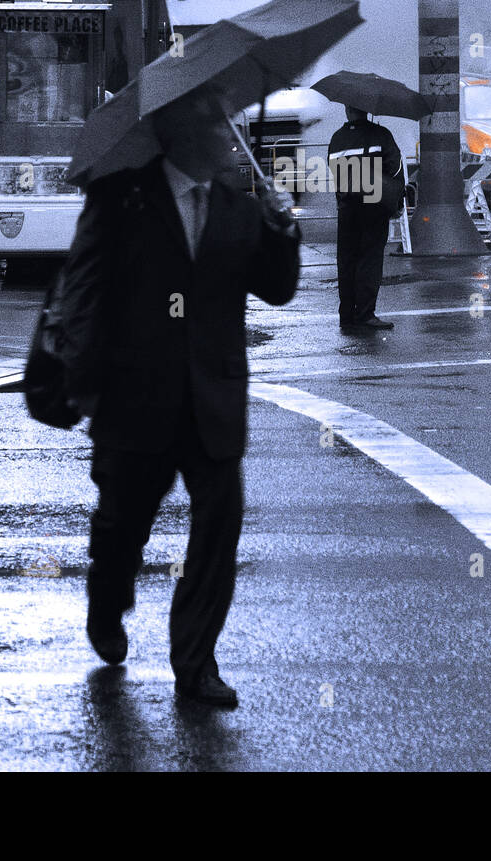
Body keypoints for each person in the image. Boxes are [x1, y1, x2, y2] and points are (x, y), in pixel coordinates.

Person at [61, 84, 300, 708]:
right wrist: (84, 377)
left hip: (213, 399)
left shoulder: (238, 205)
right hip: (135, 399)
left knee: (218, 531)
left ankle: (195, 664)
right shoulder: (121, 198)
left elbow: (277, 290)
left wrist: (284, 230)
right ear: (188, 137)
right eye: (221, 129)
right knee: (123, 526)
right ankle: (107, 605)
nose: (232, 139)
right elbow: (84, 286)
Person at [328, 105, 403, 333]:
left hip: (347, 207)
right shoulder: (381, 134)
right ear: (368, 110)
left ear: (346, 110)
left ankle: (346, 316)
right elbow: (396, 168)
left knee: (347, 261)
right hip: (374, 204)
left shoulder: (337, 138)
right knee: (369, 259)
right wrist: (394, 199)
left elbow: (334, 171)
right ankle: (365, 314)